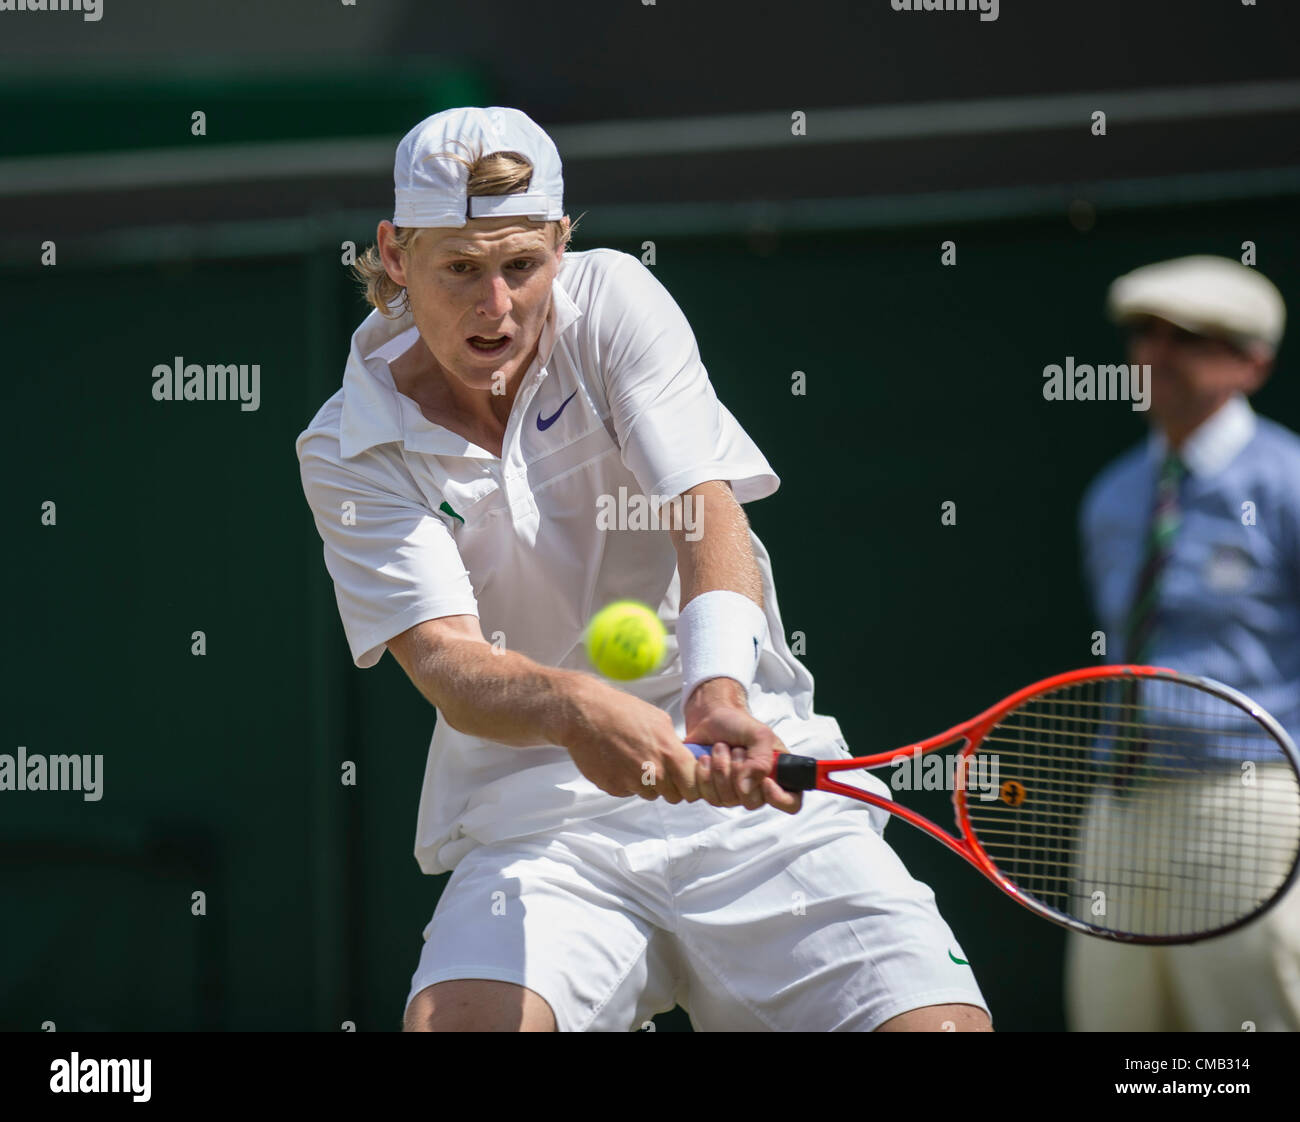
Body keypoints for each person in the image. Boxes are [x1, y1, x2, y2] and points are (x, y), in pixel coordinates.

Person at [297, 106, 992, 1032]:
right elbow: (450, 667)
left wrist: (716, 694)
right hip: (540, 824)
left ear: (561, 241)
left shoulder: (615, 300)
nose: (494, 306)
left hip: (752, 778)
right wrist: (577, 709)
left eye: (521, 266)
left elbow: (703, 506)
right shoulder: (348, 447)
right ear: (394, 253)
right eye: (460, 268)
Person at [1071, 255, 1300, 1031]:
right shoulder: (1111, 494)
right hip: (1123, 803)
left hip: (1251, 794)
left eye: (1190, 337)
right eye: (1145, 333)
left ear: (1252, 363)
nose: (1157, 355)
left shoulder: (1289, 483)